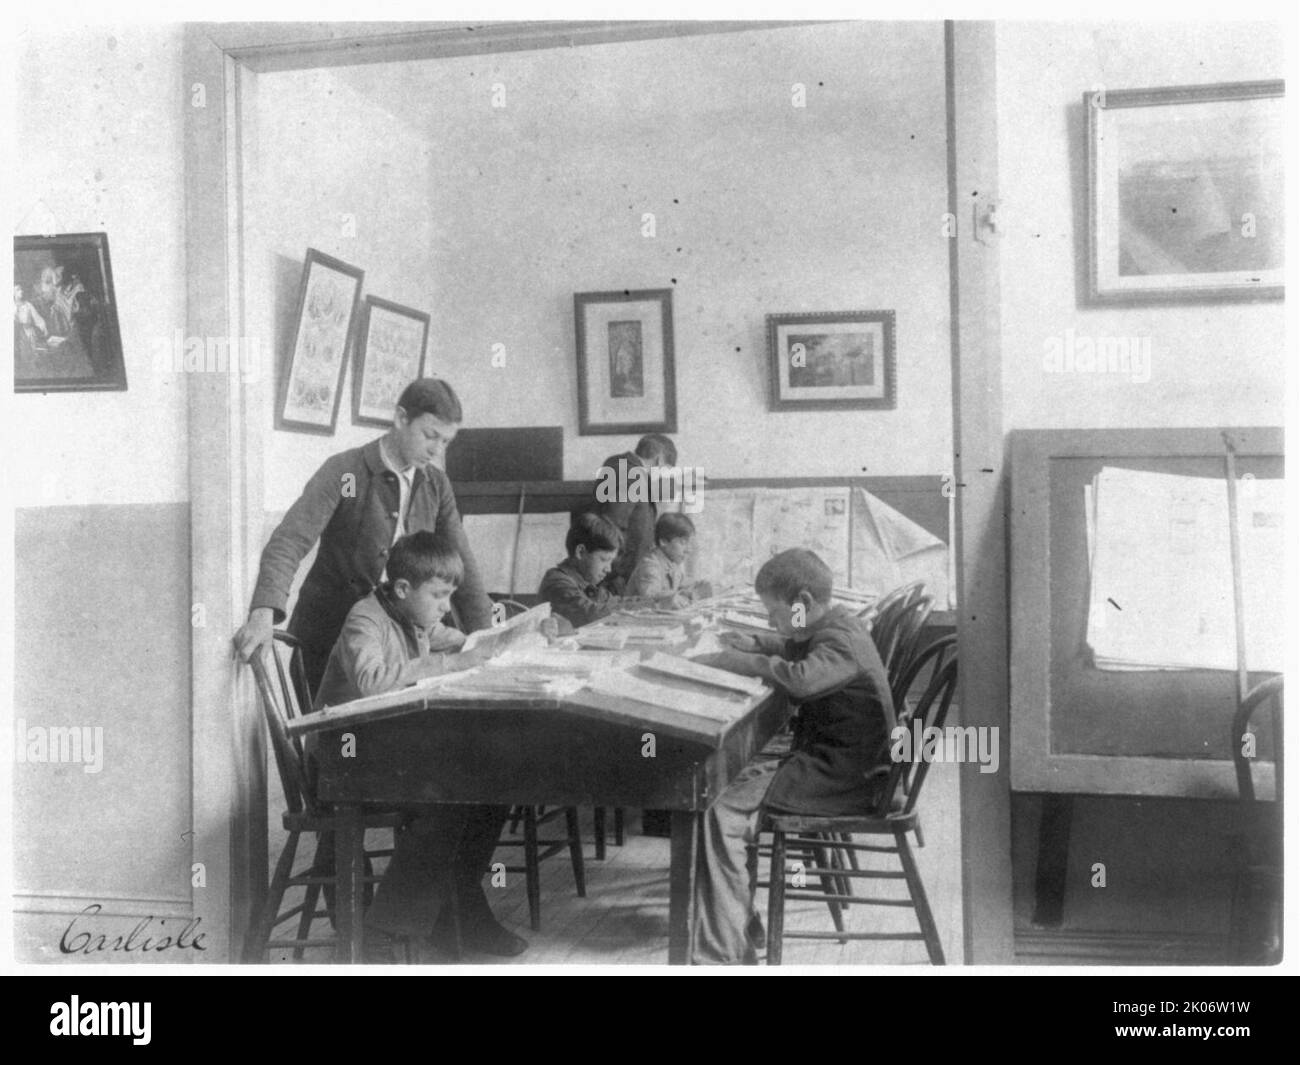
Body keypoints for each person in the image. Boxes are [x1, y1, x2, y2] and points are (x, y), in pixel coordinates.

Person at [310, 531, 525, 962]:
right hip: (342, 761)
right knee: (447, 799)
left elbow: (455, 640)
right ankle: (386, 932)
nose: (446, 606)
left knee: (492, 789)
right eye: (440, 595)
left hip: (386, 751)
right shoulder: (364, 619)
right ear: (403, 589)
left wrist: (495, 642)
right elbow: (371, 679)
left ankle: (458, 908)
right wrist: (449, 662)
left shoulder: (415, 617)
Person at [690, 548, 896, 964]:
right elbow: (797, 645)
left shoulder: (840, 643)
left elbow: (801, 680)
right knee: (728, 788)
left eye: (772, 612)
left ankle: (720, 956)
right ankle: (739, 925)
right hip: (839, 759)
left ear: (801, 603)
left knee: (719, 811)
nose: (769, 620)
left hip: (848, 776)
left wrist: (737, 659)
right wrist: (759, 642)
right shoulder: (840, 624)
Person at [233, 377, 492, 699]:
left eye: (446, 442)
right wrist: (263, 612)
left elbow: (463, 562)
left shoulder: (435, 485)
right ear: (400, 418)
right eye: (430, 436)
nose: (437, 450)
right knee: (342, 744)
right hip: (328, 646)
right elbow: (290, 540)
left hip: (398, 650)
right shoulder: (347, 474)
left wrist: (486, 637)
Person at [591, 432, 677, 595]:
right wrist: (617, 573)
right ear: (659, 460)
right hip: (619, 575)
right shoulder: (632, 475)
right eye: (666, 470)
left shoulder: (621, 466)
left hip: (614, 570)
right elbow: (612, 526)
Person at [537, 512, 623, 629]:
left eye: (611, 562)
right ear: (581, 552)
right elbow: (589, 614)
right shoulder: (557, 582)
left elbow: (611, 601)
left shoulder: (587, 584)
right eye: (604, 559)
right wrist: (628, 607)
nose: (609, 569)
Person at [626, 512, 711, 603]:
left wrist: (700, 586)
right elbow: (651, 596)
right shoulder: (650, 565)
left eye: (689, 543)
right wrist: (689, 594)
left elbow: (682, 582)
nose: (688, 550)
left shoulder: (671, 561)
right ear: (663, 542)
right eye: (682, 543)